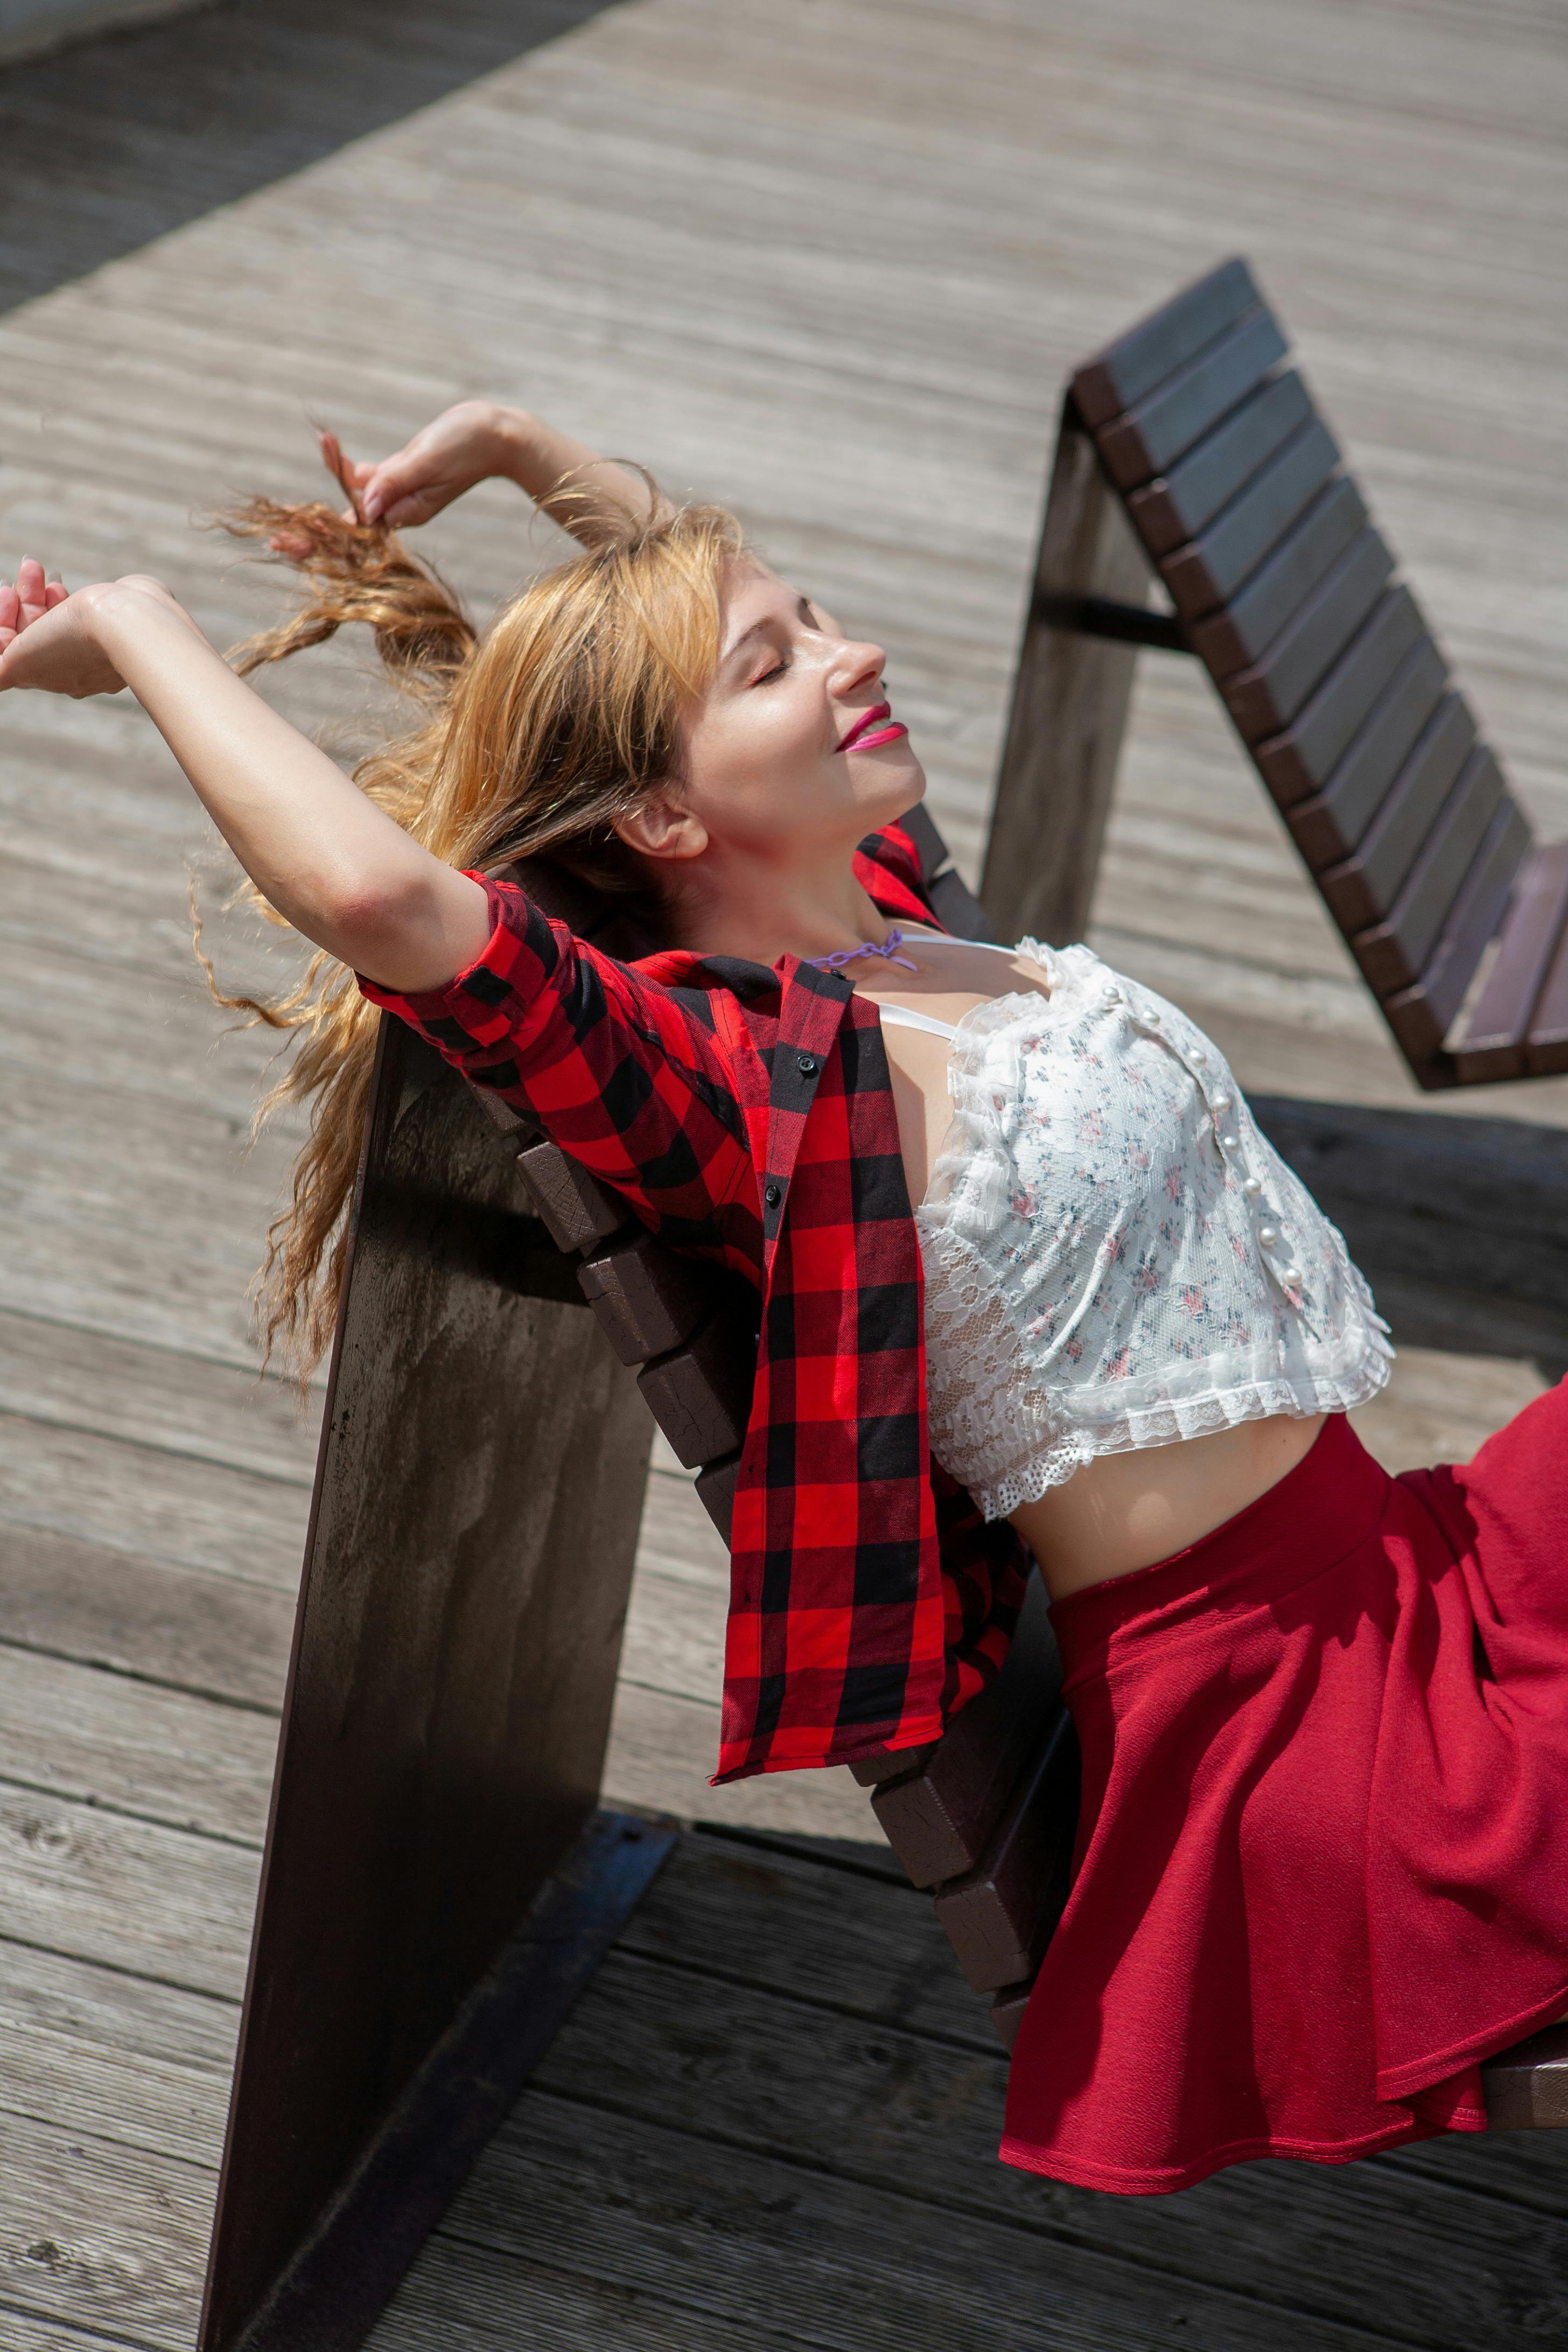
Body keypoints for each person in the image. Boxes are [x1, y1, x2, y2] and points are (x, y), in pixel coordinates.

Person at [3, 400, 1565, 2197]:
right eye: (783, 660)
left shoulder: (900, 931)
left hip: (1417, 1584)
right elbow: (377, 895)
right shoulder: (748, 1079)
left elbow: (678, 604)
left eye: (820, 623)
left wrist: (524, 453)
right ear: (668, 807)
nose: (856, 654)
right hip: (1313, 1734)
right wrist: (131, 624)